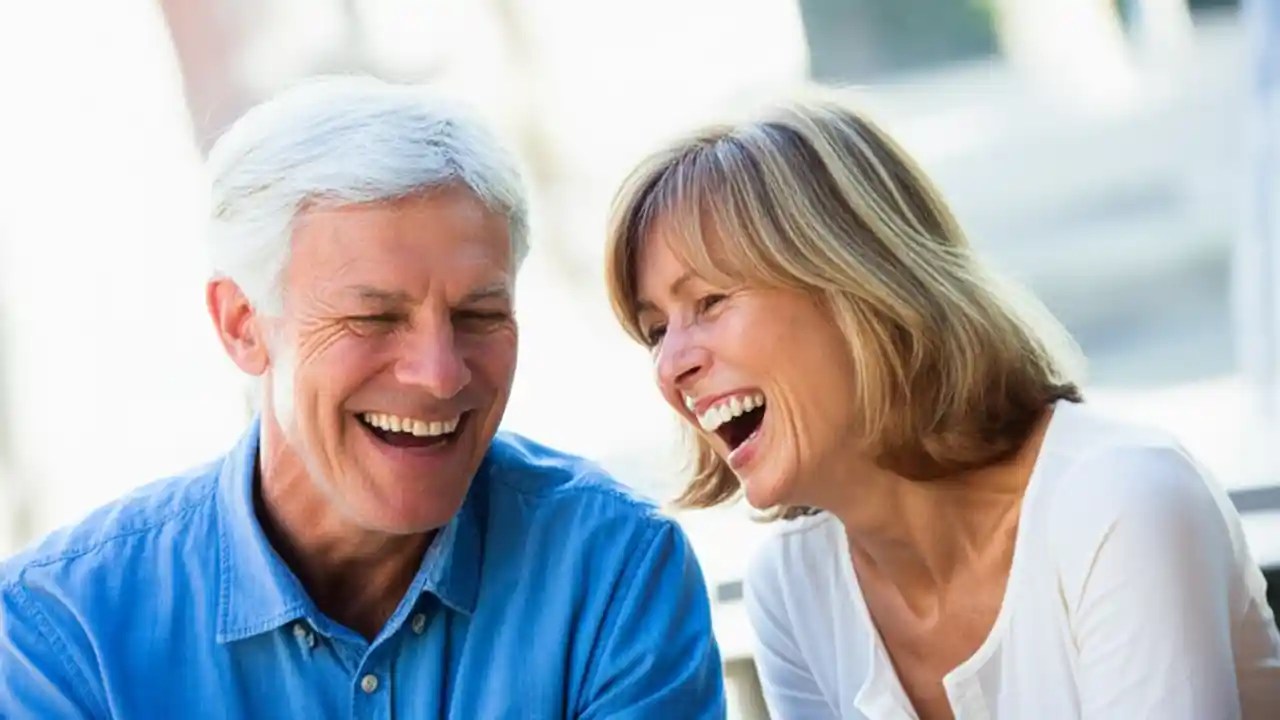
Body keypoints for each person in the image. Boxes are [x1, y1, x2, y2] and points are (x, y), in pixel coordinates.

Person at [0, 76, 725, 719]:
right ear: (243, 325)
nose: (440, 374)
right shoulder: (61, 629)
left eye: (478, 316)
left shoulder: (613, 570)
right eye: (373, 318)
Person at [604, 90, 1280, 718]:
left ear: (857, 287)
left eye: (711, 301)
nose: (671, 366)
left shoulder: (1119, 501)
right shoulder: (795, 588)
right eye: (657, 330)